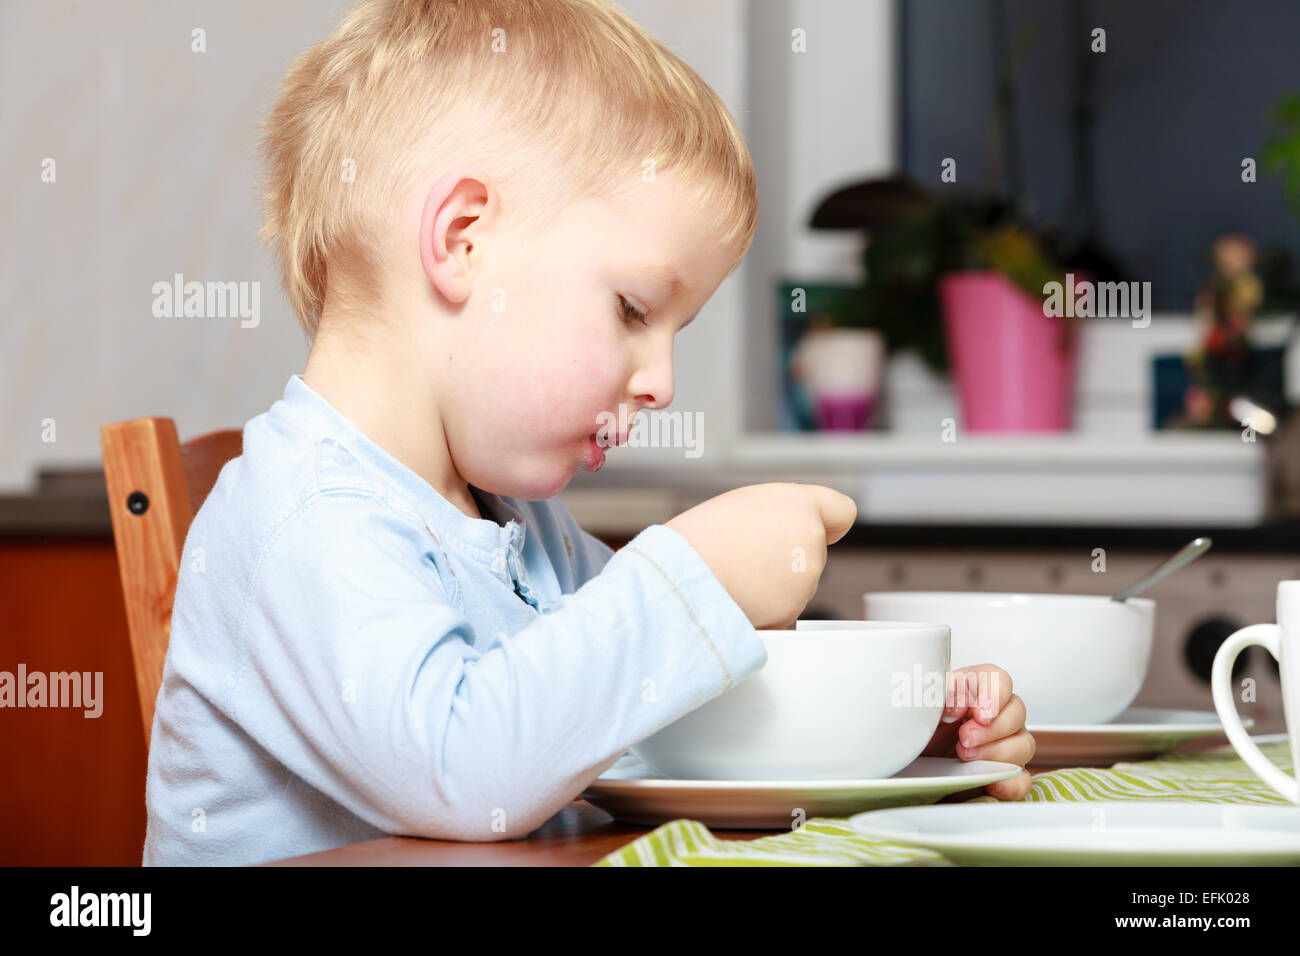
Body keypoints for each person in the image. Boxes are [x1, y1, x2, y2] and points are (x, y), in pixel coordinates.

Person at [143, 0, 1033, 866]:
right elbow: (463, 774)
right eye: (633, 309)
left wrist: (905, 722)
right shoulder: (301, 519)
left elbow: (634, 714)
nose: (661, 384)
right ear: (462, 240)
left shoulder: (522, 528)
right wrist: (695, 578)